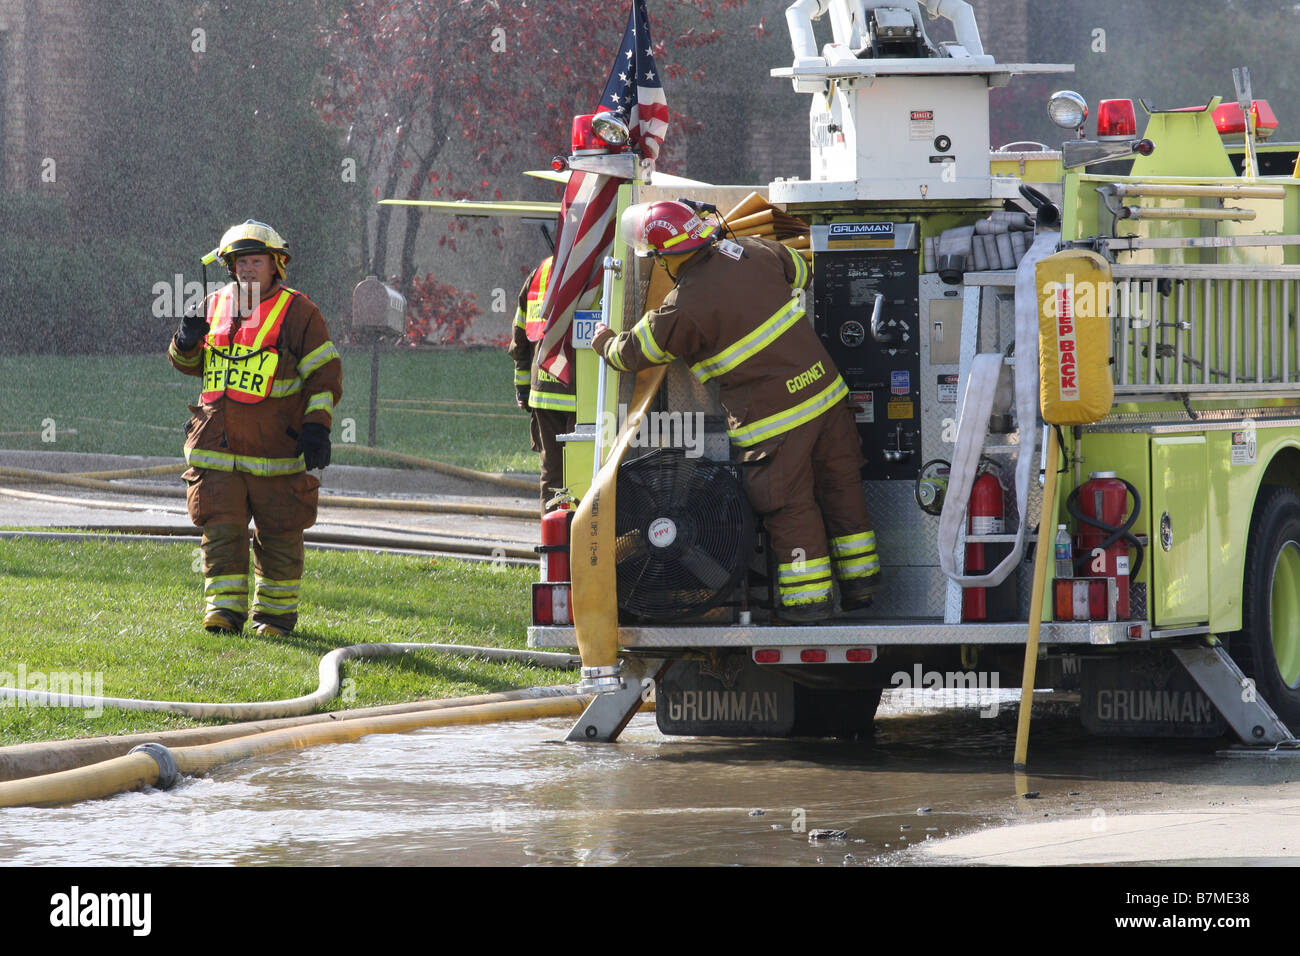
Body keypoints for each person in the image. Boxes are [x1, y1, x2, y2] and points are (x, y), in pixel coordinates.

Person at [590, 200, 879, 622]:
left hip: (776, 420)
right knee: (841, 485)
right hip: (828, 394)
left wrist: (603, 341)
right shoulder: (752, 248)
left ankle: (810, 603)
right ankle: (862, 585)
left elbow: (634, 352)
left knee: (789, 505)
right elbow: (802, 271)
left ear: (666, 257)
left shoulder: (683, 305)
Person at [168, 220, 343, 637]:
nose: (247, 269)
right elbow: (193, 366)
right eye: (240, 262)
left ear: (275, 265)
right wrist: (184, 341)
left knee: (280, 532)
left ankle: (274, 617)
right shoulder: (213, 304)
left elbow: (324, 375)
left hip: (275, 450)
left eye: (256, 261)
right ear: (230, 267)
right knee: (221, 529)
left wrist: (317, 426)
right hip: (217, 447)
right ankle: (223, 611)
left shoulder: (301, 312)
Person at [507, 255, 577, 512]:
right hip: (585, 394)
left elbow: (519, 338)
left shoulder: (541, 271)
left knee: (553, 476)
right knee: (585, 472)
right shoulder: (599, 261)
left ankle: (553, 543)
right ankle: (578, 541)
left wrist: (523, 388)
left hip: (545, 391)